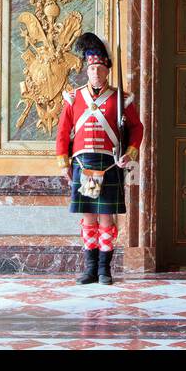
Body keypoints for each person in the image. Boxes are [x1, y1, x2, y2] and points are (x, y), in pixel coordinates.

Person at [56, 32, 143, 285]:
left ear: (107, 71)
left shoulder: (121, 98)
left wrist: (130, 153)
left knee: (106, 218)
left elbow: (137, 128)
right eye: (92, 68)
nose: (95, 73)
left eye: (100, 69)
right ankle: (90, 269)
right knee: (88, 218)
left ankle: (105, 270)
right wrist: (64, 163)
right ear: (87, 69)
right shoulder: (74, 97)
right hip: (83, 164)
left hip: (109, 163)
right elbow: (63, 132)